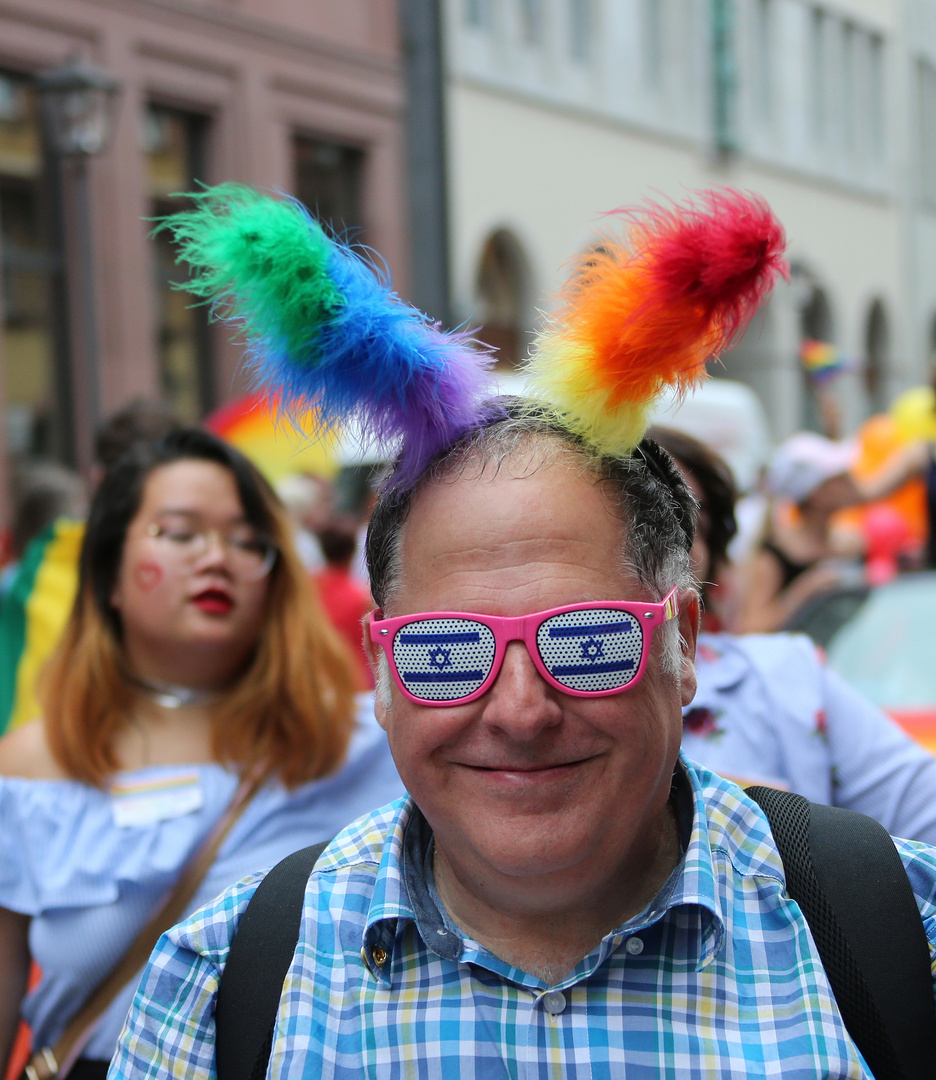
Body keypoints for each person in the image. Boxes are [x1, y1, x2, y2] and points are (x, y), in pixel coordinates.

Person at [110, 404, 936, 1078]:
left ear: (681, 646)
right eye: (447, 652)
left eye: (586, 640)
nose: (520, 712)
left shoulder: (895, 929)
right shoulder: (222, 980)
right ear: (382, 672)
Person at [0, 428, 404, 1078]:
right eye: (180, 533)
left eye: (248, 542)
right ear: (107, 573)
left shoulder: (368, 742)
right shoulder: (24, 772)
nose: (217, 558)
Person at [650, 425, 936, 840]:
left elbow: (919, 805)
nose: (653, 543)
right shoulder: (528, 705)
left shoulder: (791, 675)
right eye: (636, 514)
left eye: (688, 520)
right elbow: (755, 620)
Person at [735, 431, 865, 632]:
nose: (851, 480)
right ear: (815, 493)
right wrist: (804, 591)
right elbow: (748, 627)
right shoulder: (773, 556)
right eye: (839, 477)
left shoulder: (854, 543)